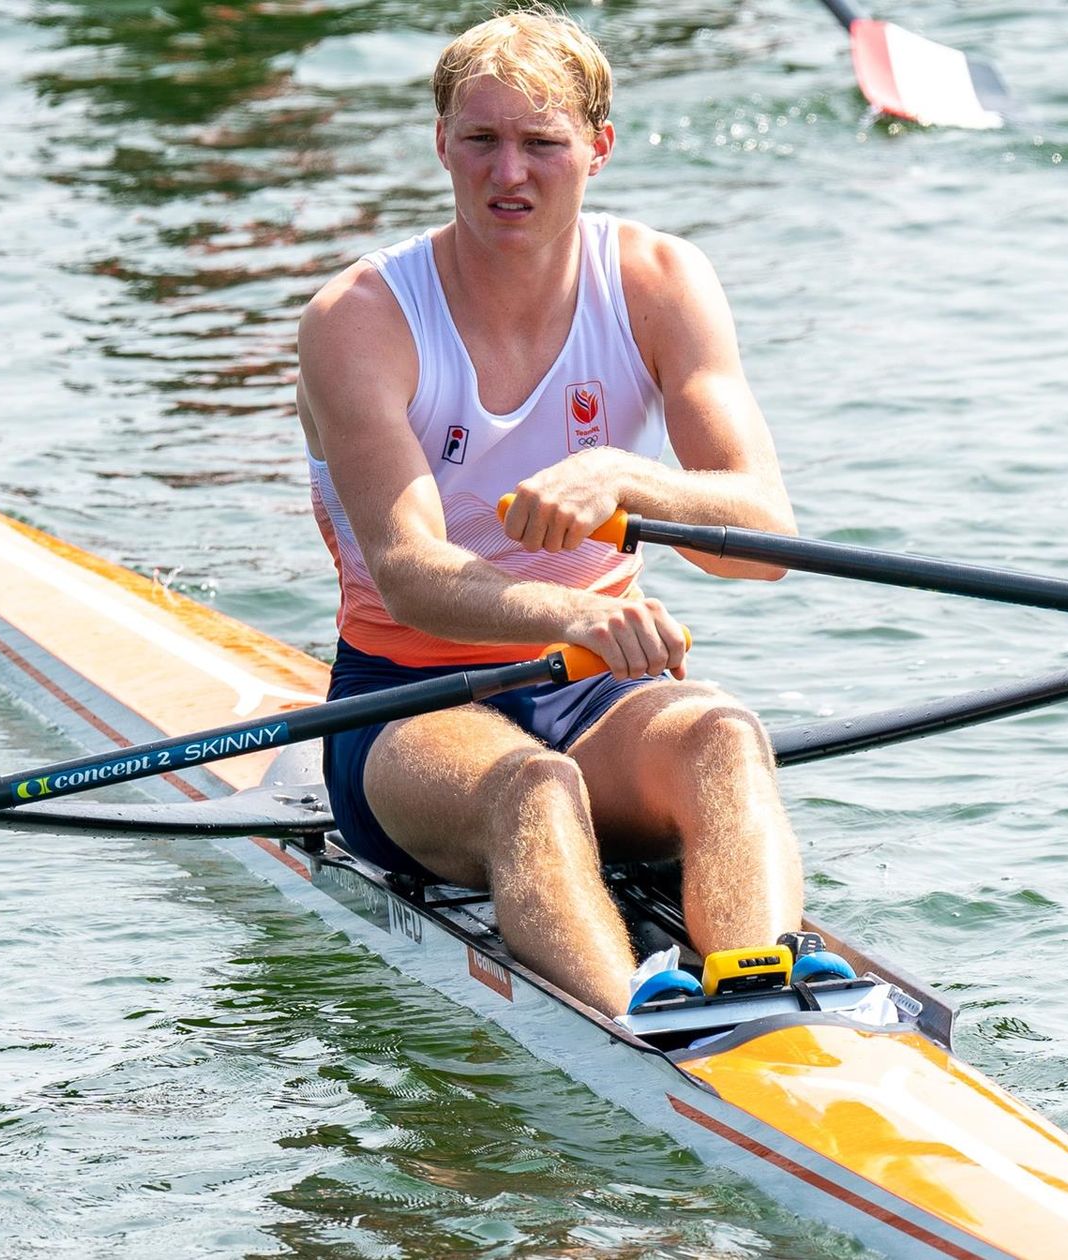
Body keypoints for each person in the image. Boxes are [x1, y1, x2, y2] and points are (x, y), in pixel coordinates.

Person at [294, 7, 847, 1017]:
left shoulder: (658, 281)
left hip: (593, 694)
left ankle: (764, 991)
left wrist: (625, 478)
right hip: (406, 707)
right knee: (533, 790)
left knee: (725, 733)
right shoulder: (361, 322)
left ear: (598, 147)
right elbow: (411, 571)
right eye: (483, 140)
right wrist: (573, 616)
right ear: (441, 144)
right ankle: (637, 1035)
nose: (511, 173)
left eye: (542, 143)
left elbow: (763, 539)